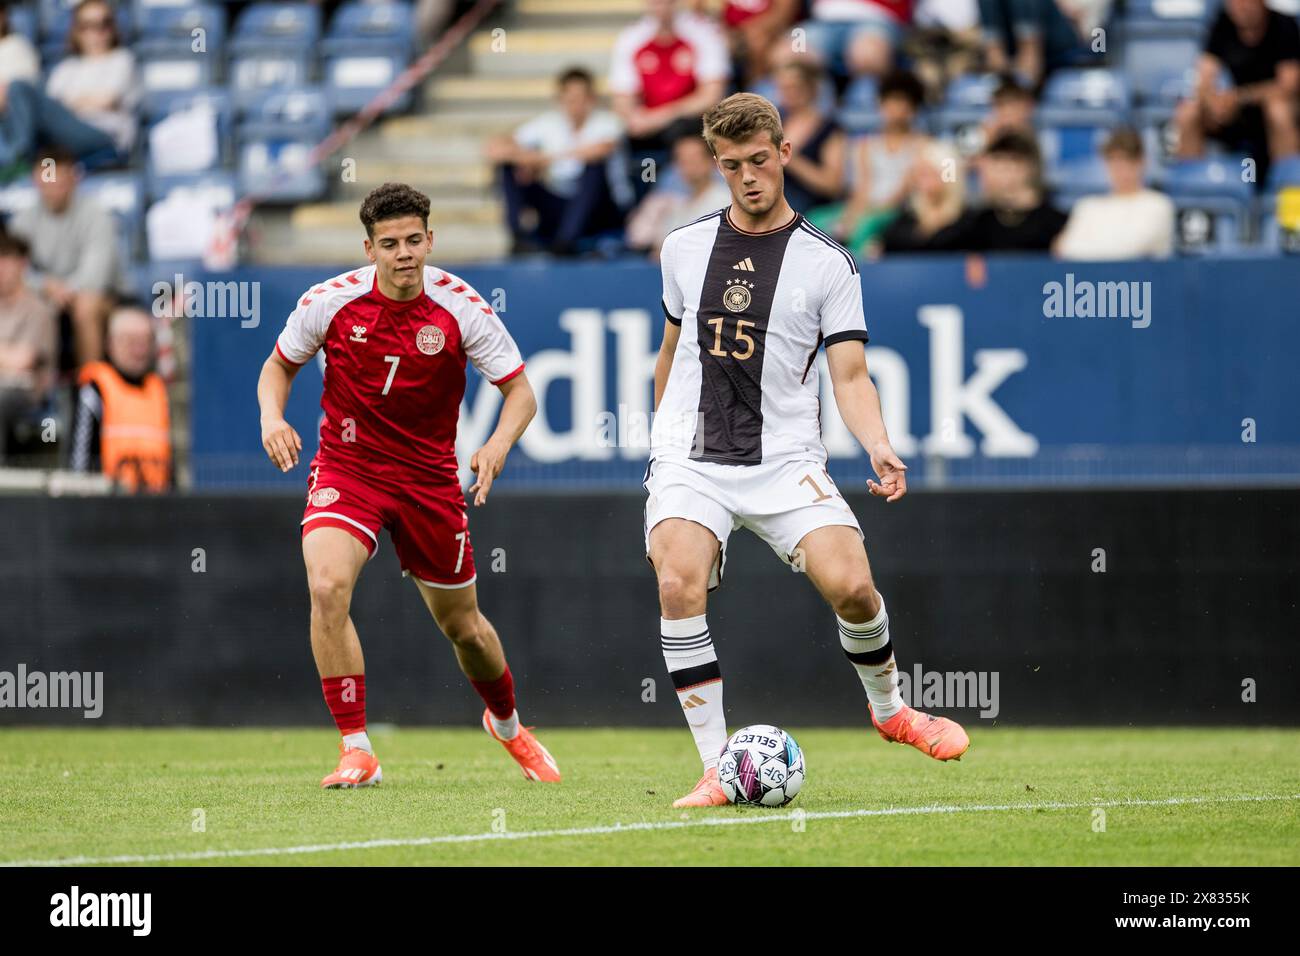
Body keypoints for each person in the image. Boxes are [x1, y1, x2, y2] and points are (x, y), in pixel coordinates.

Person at [646, 92, 969, 808]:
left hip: (787, 458)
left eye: (759, 160)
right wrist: (661, 437)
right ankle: (713, 767)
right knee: (677, 580)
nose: (748, 176)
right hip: (691, 455)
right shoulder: (684, 246)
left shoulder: (829, 265)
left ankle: (891, 713)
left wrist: (878, 444)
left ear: (785, 153)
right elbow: (670, 351)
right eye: (731, 166)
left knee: (853, 586)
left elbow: (849, 374)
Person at [256, 183, 561, 789]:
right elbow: (278, 366)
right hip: (349, 469)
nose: (404, 254)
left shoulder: (460, 306)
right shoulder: (331, 301)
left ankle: (507, 725)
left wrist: (497, 444)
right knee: (326, 585)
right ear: (368, 248)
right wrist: (272, 417)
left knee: (465, 629)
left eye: (414, 241)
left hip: (429, 482)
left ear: (430, 240)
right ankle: (356, 747)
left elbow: (520, 392)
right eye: (389, 244)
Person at [486, 67, 626, 256]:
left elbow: (599, 151)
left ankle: (566, 241)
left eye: (580, 98)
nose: (575, 105)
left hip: (601, 207)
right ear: (560, 99)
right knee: (509, 167)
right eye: (569, 99)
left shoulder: (608, 122)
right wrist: (525, 159)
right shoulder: (549, 122)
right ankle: (518, 237)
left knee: (594, 168)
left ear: (592, 99)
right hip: (560, 203)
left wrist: (541, 159)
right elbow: (496, 149)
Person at [8, 149, 125, 367]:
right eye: (46, 182)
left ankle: (89, 391)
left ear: (73, 178)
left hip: (104, 297)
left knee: (85, 306)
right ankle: (34, 391)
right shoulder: (24, 220)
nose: (52, 190)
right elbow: (14, 272)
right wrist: (45, 286)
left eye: (58, 182)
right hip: (47, 295)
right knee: (20, 304)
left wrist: (62, 290)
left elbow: (96, 275)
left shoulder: (96, 214)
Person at [610, 0, 730, 199]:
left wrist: (658, 117)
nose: (662, 7)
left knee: (686, 138)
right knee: (632, 150)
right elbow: (622, 98)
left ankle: (696, 202)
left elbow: (712, 96)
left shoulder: (703, 32)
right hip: (650, 130)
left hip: (691, 124)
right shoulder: (631, 38)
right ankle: (643, 200)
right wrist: (636, 118)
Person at [806, 68, 929, 252]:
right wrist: (850, 216)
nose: (896, 109)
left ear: (913, 109)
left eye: (903, 103)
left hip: (897, 211)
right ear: (881, 104)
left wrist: (867, 215)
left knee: (865, 227)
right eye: (891, 101)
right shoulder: (865, 145)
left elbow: (904, 190)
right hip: (866, 207)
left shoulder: (920, 145)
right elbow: (862, 188)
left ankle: (856, 275)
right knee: (813, 221)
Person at [1174, 0, 1300, 171]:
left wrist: (1240, 97)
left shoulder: (1284, 24)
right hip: (1236, 112)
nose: (1241, 8)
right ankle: (1190, 187)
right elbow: (1204, 75)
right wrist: (1213, 102)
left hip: (1268, 110)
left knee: (1278, 110)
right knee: (1188, 112)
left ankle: (1289, 188)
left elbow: (1288, 85)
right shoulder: (1222, 22)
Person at [69, 305, 171, 491]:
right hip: (106, 504)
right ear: (110, 343)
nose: (139, 350)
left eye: (145, 341)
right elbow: (79, 463)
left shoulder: (159, 390)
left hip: (156, 506)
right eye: (130, 341)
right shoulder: (95, 388)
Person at [1054, 127, 1174, 260]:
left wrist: (1089, 250)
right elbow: (1065, 248)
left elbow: (1133, 249)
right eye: (1114, 161)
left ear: (1141, 162)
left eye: (1127, 160)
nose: (1120, 169)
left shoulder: (1158, 205)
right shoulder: (1088, 206)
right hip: (1090, 280)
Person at [45, 0, 140, 161]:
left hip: (106, 135)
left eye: (105, 23)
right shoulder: (64, 68)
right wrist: (80, 103)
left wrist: (67, 105)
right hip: (67, 136)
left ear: (114, 27)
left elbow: (106, 100)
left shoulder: (123, 60)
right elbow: (51, 110)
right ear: (76, 30)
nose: (98, 31)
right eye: (88, 24)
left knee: (21, 92)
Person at [944, 129, 1066, 250]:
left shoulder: (1056, 225)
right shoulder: (979, 223)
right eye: (997, 160)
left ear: (1031, 167)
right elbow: (936, 251)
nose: (1005, 169)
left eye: (1014, 160)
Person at [625, 133, 732, 257]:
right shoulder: (675, 202)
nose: (688, 166)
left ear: (711, 161)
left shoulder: (725, 199)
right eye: (682, 160)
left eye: (694, 159)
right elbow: (642, 238)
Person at [0, 229, 56, 463]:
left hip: (27, 390)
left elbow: (24, 361)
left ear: (22, 264)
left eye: (6, 260)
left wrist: (11, 359)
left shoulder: (38, 309)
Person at [772, 60, 847, 214]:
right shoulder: (772, 122)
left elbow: (832, 185)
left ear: (812, 88)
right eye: (784, 88)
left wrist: (791, 160)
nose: (789, 93)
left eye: (795, 87)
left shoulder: (829, 129)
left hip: (812, 206)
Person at [878, 139, 967, 252]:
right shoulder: (907, 219)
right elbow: (886, 245)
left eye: (929, 172)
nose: (923, 181)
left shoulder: (967, 222)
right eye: (920, 174)